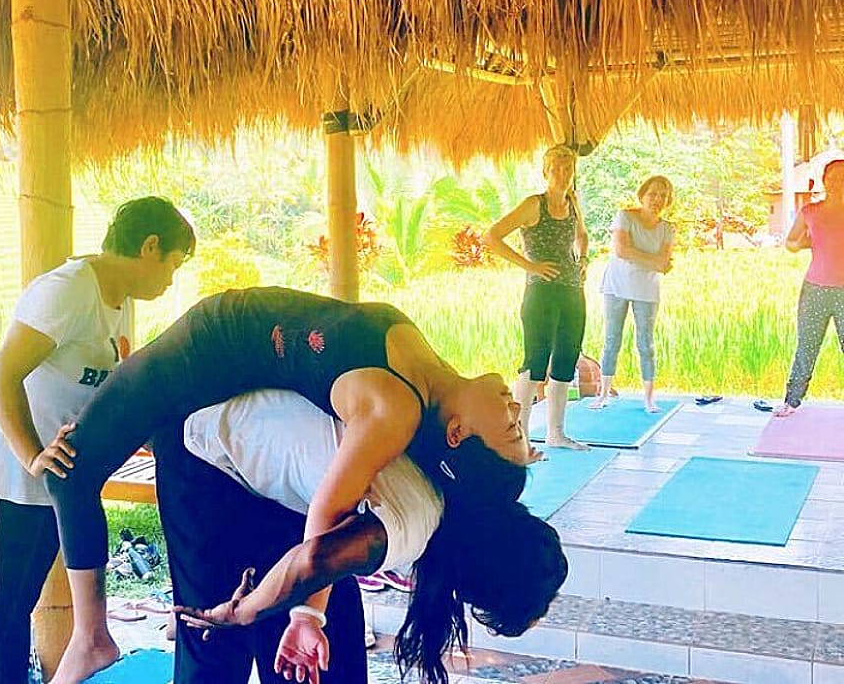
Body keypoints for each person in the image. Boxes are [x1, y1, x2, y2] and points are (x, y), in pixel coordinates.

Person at [38, 286, 532, 684]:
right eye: (520, 423)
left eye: (511, 427)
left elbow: (326, 516)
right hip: (221, 388)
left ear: (459, 433)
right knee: (102, 441)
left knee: (70, 471)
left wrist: (306, 615)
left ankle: (90, 636)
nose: (515, 408)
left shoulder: (394, 414)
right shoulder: (419, 398)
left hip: (205, 352)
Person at [0, 197, 194, 684]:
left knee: (17, 612)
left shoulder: (116, 301)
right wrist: (32, 455)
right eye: (172, 265)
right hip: (7, 480)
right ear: (149, 247)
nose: (170, 281)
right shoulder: (68, 290)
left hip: (52, 484)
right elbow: (1, 375)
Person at [169, 388, 567, 684]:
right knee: (215, 647)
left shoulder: (462, 481)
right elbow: (313, 560)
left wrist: (306, 614)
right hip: (206, 452)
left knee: (317, 654)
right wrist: (243, 611)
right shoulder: (415, 520)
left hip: (295, 490)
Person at [484, 145, 590, 453]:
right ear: (545, 172)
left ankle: (556, 433)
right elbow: (492, 236)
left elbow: (582, 235)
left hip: (572, 290)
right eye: (556, 169)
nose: (562, 174)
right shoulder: (534, 205)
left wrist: (583, 259)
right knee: (535, 361)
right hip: (541, 292)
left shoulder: (572, 201)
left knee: (566, 359)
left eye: (567, 169)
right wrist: (530, 266)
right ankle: (521, 438)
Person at [590, 175, 676, 413]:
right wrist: (654, 261)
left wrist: (648, 259)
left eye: (663, 195)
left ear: (668, 200)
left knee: (645, 344)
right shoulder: (625, 216)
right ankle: (603, 394)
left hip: (646, 290)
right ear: (642, 195)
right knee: (611, 340)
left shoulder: (667, 229)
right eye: (652, 194)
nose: (657, 199)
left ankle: (649, 399)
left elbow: (664, 262)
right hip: (616, 286)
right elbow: (621, 250)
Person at [774, 158, 844, 418]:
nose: (839, 182)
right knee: (807, 345)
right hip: (815, 289)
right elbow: (791, 242)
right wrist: (810, 241)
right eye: (834, 178)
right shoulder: (810, 212)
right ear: (825, 181)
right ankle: (792, 400)